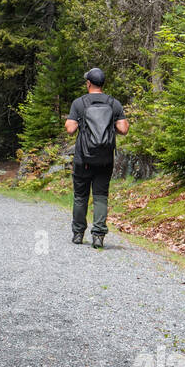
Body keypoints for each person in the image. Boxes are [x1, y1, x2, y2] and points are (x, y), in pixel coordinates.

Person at [64, 67, 128, 249]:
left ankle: (78, 234)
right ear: (103, 84)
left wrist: (74, 121)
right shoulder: (113, 103)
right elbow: (123, 129)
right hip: (105, 159)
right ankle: (98, 236)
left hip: (83, 159)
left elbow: (70, 129)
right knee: (100, 196)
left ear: (88, 83)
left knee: (80, 196)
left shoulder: (79, 103)